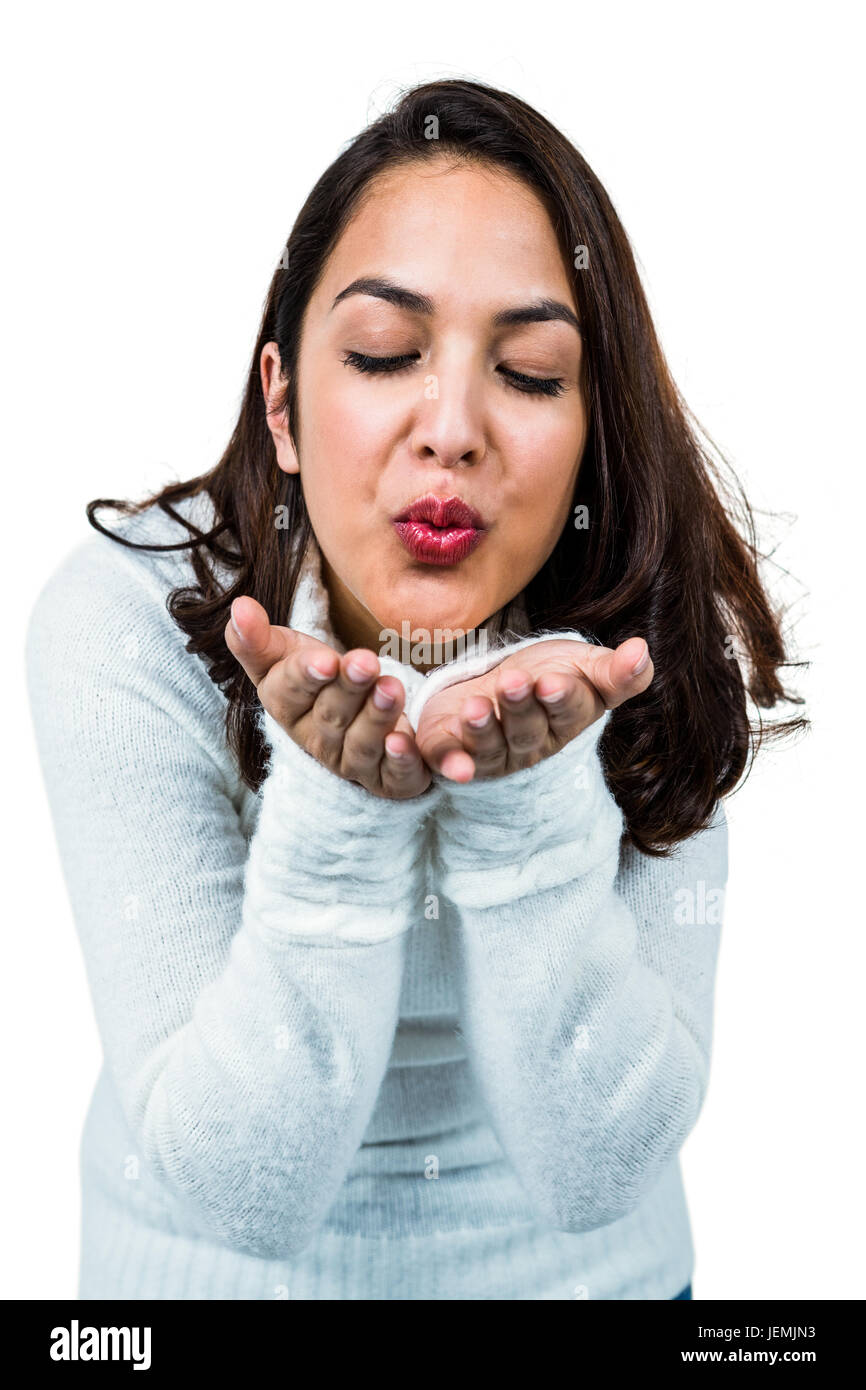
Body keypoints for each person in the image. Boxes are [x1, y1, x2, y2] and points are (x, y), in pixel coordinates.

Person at [25, 78, 803, 1300]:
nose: (451, 428)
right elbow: (244, 1191)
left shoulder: (642, 627)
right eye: (385, 355)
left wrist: (525, 807)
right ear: (281, 403)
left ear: (593, 429)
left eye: (532, 375)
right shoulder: (126, 619)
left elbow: (598, 1169)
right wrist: (335, 824)